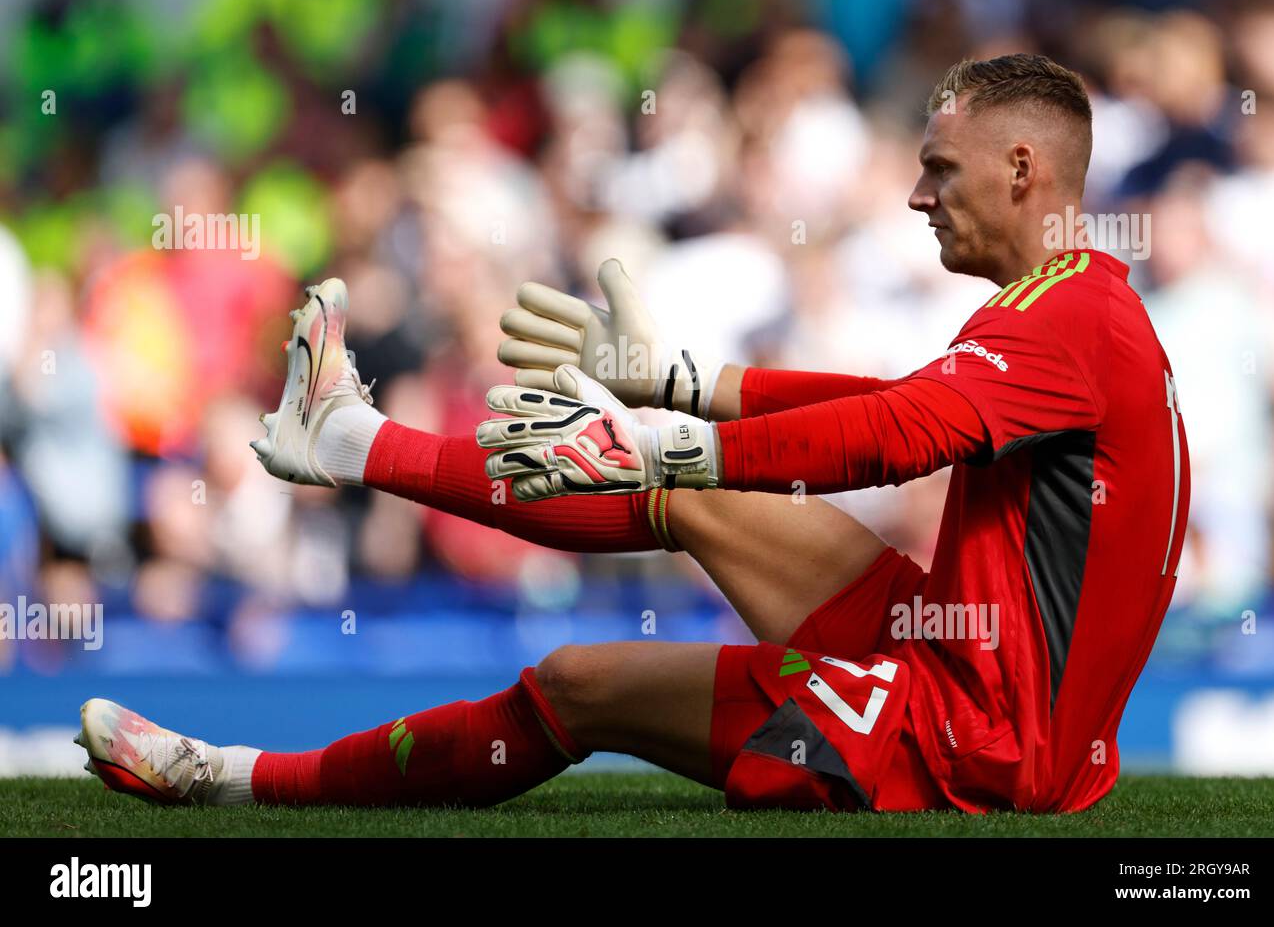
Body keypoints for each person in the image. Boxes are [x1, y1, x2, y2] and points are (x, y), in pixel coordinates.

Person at [77, 53, 1189, 814]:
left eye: (938, 169)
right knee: (678, 495)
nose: (915, 196)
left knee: (577, 684)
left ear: (1021, 170)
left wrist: (666, 438)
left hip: (973, 745)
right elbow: (895, 395)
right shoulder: (1080, 308)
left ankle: (227, 775)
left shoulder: (1067, 321)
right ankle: (355, 442)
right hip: (968, 666)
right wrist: (680, 386)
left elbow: (897, 432)